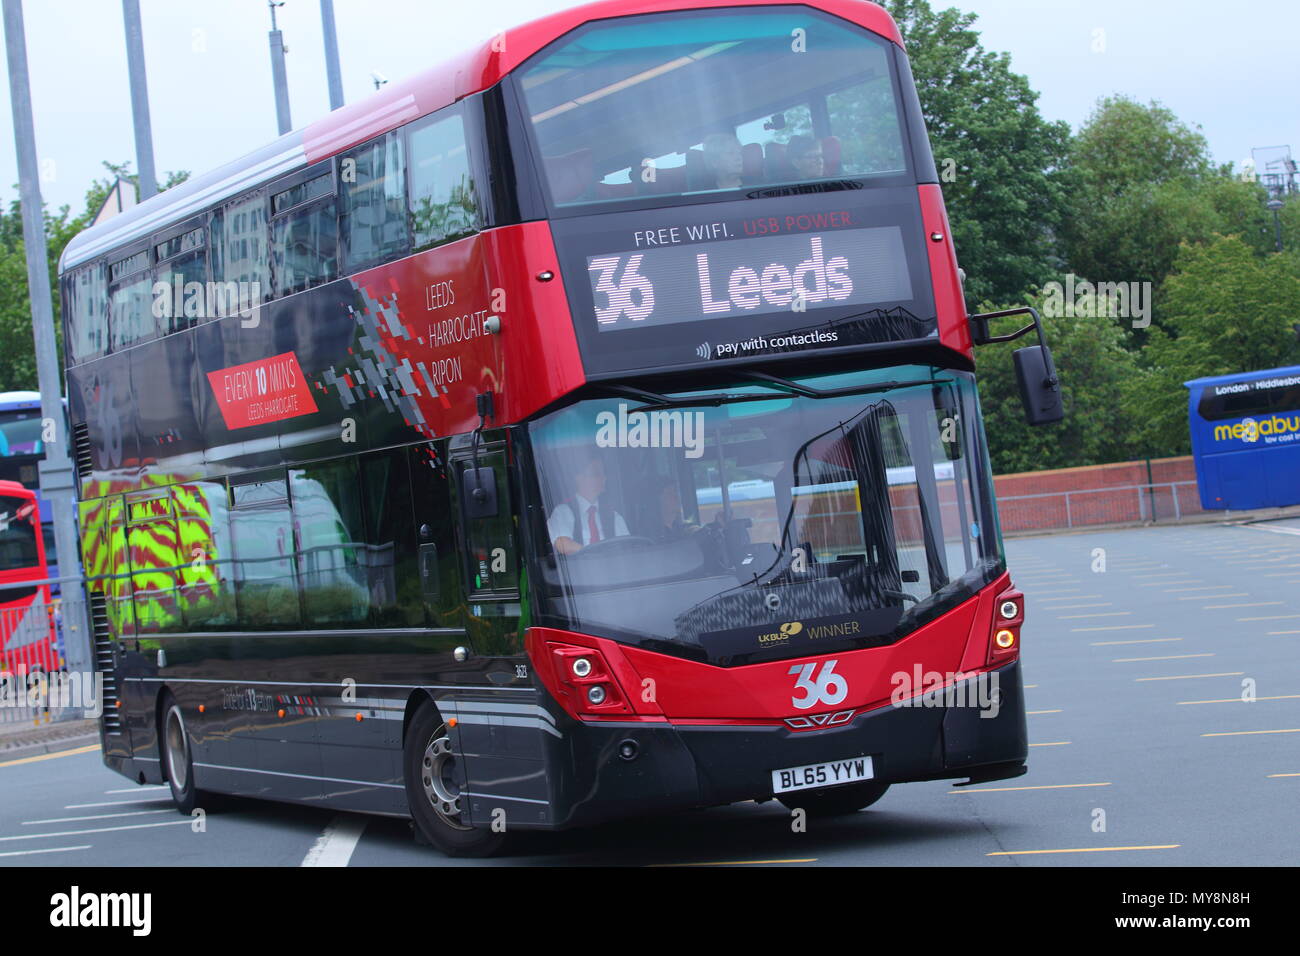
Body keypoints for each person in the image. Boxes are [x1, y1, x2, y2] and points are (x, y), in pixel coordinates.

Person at [547, 451, 629, 555]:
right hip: (579, 571)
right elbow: (563, 545)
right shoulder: (563, 511)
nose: (604, 478)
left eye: (603, 473)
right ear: (579, 478)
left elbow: (628, 549)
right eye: (596, 473)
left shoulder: (613, 515)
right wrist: (598, 556)